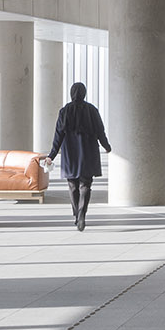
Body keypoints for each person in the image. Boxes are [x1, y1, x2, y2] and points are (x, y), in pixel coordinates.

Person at [48, 81, 110, 230]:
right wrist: (106, 146)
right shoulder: (92, 110)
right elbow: (100, 131)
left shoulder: (65, 111)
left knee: (73, 186)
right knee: (85, 186)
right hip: (88, 152)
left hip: (70, 153)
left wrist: (52, 155)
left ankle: (77, 214)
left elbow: (58, 135)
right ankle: (82, 213)